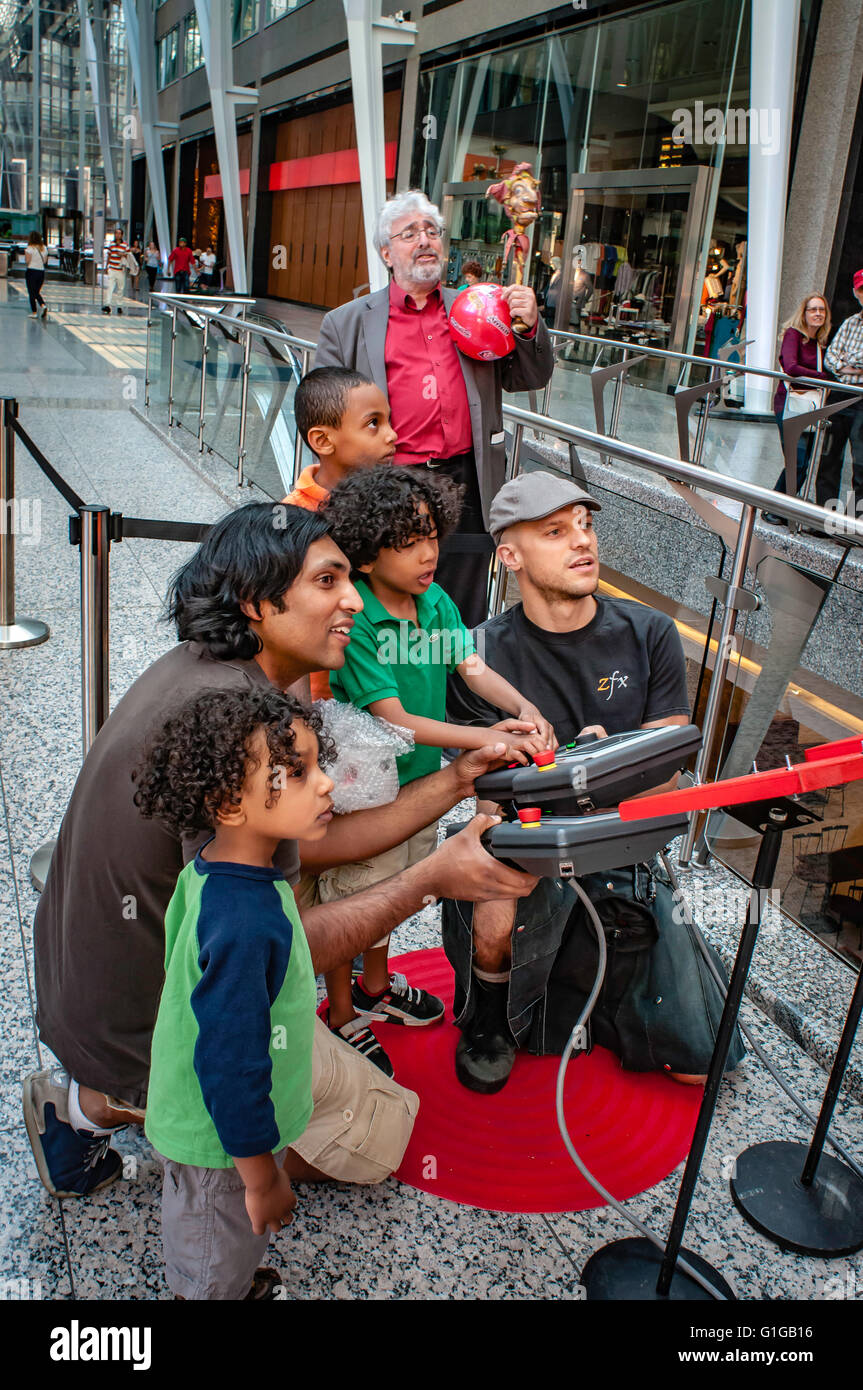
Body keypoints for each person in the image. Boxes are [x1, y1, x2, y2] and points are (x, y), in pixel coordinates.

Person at [24, 502, 538, 1201]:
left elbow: (311, 848)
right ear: (254, 601)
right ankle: (113, 1104)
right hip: (148, 1025)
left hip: (83, 988)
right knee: (377, 1145)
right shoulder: (244, 729)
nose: (353, 599)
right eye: (327, 581)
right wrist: (431, 879)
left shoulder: (207, 675)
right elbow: (278, 953)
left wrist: (455, 780)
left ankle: (107, 1094)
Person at [443, 471, 744, 1093]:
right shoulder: (479, 655)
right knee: (489, 880)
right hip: (529, 846)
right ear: (510, 556)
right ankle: (490, 1014)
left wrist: (599, 772)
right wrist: (570, 779)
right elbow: (482, 794)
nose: (583, 541)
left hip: (623, 841)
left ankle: (605, 991)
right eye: (555, 532)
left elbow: (669, 772)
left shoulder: (649, 632)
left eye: (585, 525)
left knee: (699, 1066)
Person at [318, 466, 554, 1074]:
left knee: (394, 890)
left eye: (430, 536)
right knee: (356, 897)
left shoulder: (436, 600)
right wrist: (486, 738)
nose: (428, 554)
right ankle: (340, 1012)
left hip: (421, 784)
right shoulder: (358, 617)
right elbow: (395, 718)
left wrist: (522, 708)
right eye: (408, 543)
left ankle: (375, 988)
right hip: (366, 791)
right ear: (366, 556)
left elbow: (472, 669)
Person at [135, 687, 340, 1300]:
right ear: (229, 803)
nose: (326, 784)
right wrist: (260, 1178)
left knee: (220, 1241)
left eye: (317, 764)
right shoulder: (246, 921)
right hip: (222, 1145)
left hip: (217, 1122)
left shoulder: (214, 867)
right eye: (297, 773)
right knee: (212, 1255)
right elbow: (230, 1060)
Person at [314, 189, 554, 628]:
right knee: (388, 603)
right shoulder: (347, 323)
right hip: (388, 482)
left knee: (461, 606)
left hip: (467, 480)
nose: (424, 240)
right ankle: (395, 674)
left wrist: (529, 327)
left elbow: (527, 378)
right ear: (386, 253)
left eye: (431, 231)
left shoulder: (479, 308)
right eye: (409, 233)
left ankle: (457, 672)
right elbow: (322, 414)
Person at [282, 365, 398, 700]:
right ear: (323, 440)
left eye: (389, 420)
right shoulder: (290, 521)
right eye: (373, 423)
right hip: (322, 696)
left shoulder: (394, 503)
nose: (392, 435)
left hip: (384, 688)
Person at [762, 293, 834, 527]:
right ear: (803, 313)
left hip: (810, 407)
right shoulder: (793, 335)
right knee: (797, 460)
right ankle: (772, 507)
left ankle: (783, 508)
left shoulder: (819, 344)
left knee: (803, 463)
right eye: (813, 309)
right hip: (789, 405)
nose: (818, 314)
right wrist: (822, 377)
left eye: (822, 310)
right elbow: (791, 367)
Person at [814, 269, 863, 510]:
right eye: (862, 290)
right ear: (855, 293)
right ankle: (824, 516)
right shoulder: (850, 322)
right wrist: (850, 366)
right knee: (829, 457)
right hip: (839, 393)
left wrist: (847, 361)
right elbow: (830, 357)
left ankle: (858, 520)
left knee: (861, 463)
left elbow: (845, 358)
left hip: (862, 398)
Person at [102, 224, 130, 315]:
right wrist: (107, 266)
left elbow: (129, 256)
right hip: (112, 269)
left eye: (119, 233)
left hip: (120, 270)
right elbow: (109, 255)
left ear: (122, 235)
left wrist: (122, 254)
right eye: (116, 233)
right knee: (110, 287)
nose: (117, 235)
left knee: (120, 289)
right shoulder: (111, 244)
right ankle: (107, 304)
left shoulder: (125, 245)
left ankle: (119, 305)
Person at [24, 230, 48, 318]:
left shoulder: (29, 248)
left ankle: (34, 312)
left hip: (31, 272)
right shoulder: (44, 248)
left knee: (32, 292)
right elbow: (44, 261)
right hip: (41, 272)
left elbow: (27, 261)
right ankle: (43, 305)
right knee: (36, 291)